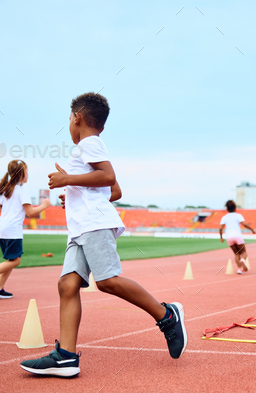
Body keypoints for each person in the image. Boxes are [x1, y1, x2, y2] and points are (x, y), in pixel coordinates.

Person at [20, 92, 186, 377]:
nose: (69, 126)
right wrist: (73, 194)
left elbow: (108, 178)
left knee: (107, 281)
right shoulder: (88, 148)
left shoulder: (90, 144)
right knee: (67, 285)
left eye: (69, 120)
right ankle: (66, 357)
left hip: (94, 225)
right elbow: (115, 191)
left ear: (77, 117)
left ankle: (167, 316)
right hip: (81, 227)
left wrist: (67, 180)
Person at [0, 160, 51, 300]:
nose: (28, 175)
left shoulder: (8, 188)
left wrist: (10, 210)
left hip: (1, 228)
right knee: (16, 261)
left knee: (11, 259)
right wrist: (44, 205)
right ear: (22, 174)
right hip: (12, 230)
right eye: (27, 171)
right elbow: (31, 212)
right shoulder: (23, 190)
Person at [219, 200, 256, 274]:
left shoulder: (224, 217)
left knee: (236, 253)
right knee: (243, 252)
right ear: (235, 208)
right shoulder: (238, 216)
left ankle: (240, 269)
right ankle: (243, 259)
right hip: (237, 236)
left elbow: (220, 228)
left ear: (227, 208)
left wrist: (221, 237)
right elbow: (244, 224)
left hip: (229, 237)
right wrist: (252, 230)